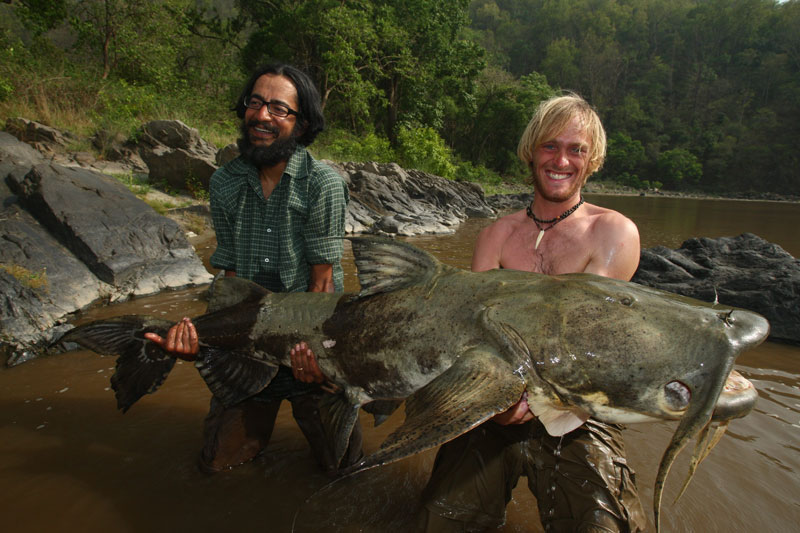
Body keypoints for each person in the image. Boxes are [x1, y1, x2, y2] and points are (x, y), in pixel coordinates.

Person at [418, 94, 648, 532]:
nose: (561, 160)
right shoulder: (496, 235)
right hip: (492, 407)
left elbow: (585, 340)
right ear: (531, 151)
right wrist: (495, 404)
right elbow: (475, 337)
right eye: (550, 146)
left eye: (576, 149)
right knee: (437, 521)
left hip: (577, 413)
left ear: (592, 159)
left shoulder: (612, 232)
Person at [144, 62, 362, 475]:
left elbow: (323, 282)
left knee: (345, 471)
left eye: (279, 109)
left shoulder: (322, 184)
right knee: (215, 465)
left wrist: (318, 359)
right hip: (247, 344)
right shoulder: (225, 182)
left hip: (306, 347)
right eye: (256, 103)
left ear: (301, 125)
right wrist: (204, 340)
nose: (262, 116)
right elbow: (229, 281)